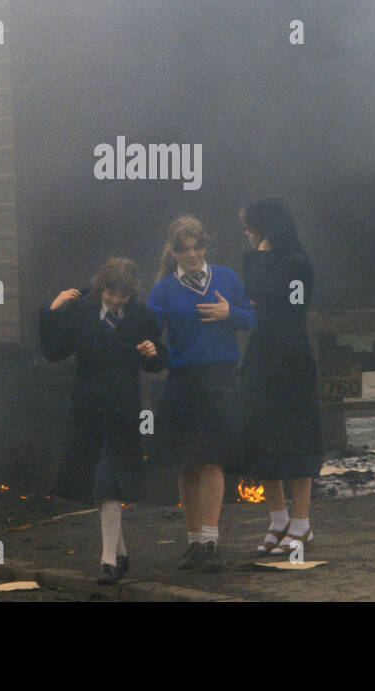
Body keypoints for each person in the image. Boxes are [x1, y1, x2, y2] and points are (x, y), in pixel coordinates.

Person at [39, 257, 165, 584]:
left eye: (122, 296)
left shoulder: (142, 317)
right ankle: (119, 553)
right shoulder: (80, 312)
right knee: (100, 483)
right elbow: (53, 352)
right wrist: (52, 310)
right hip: (87, 410)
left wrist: (153, 353)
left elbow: (156, 361)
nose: (115, 300)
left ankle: (108, 560)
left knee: (107, 480)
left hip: (123, 409)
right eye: (111, 293)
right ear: (101, 286)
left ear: (130, 294)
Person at [147, 215, 255, 572]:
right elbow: (149, 333)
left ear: (205, 247)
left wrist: (230, 313)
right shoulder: (163, 289)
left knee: (213, 460)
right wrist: (147, 349)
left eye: (197, 248)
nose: (192, 255)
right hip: (183, 380)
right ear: (174, 251)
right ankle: (193, 543)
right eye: (184, 249)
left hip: (221, 378)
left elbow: (252, 318)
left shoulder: (227, 278)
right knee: (187, 464)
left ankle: (211, 542)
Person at [237, 198, 323, 557]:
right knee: (262, 437)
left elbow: (259, 292)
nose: (247, 235)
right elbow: (254, 294)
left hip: (291, 361)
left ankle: (302, 524)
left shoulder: (297, 264)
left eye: (251, 229)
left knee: (295, 438)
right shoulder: (271, 262)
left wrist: (259, 254)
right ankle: (278, 519)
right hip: (261, 358)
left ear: (267, 229)